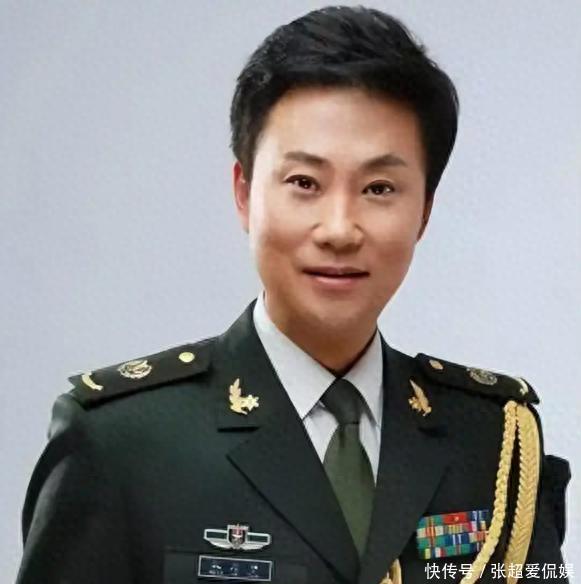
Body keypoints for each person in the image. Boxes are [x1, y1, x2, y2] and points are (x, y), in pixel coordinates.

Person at [16, 5, 570, 584]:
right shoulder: (122, 442)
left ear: (424, 212)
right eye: (304, 183)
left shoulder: (493, 441)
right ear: (244, 193)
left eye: (380, 188)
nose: (339, 229)